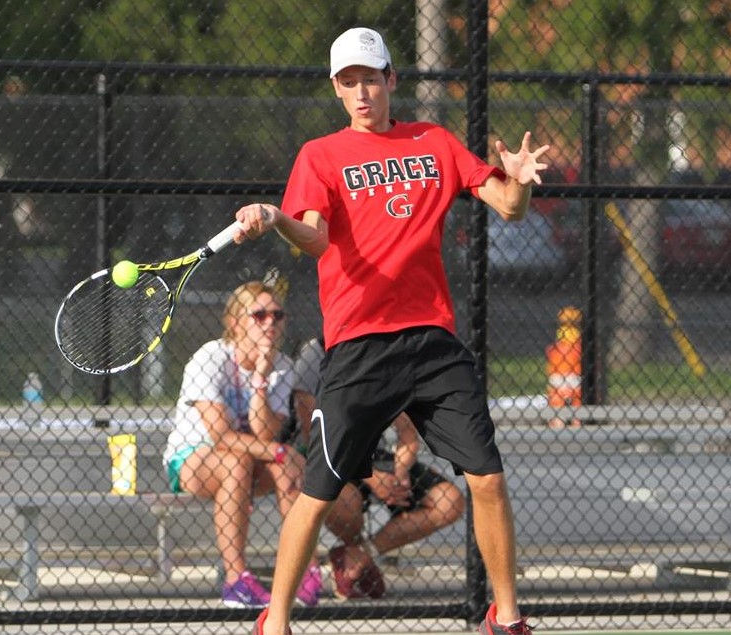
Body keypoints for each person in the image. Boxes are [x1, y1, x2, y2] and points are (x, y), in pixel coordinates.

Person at [233, 26, 549, 635]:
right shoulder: (320, 156)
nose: (361, 93)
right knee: (318, 493)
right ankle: (275, 624)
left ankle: (506, 617)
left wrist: (519, 182)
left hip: (432, 341)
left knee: (487, 476)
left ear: (391, 81)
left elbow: (507, 208)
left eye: (370, 80)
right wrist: (277, 218)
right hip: (357, 348)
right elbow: (315, 237)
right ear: (336, 88)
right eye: (348, 83)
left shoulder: (434, 141)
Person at [161, 281, 321, 609]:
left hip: (250, 460)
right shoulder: (210, 358)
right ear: (235, 322)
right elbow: (220, 436)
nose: (270, 323)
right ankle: (236, 581)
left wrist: (261, 379)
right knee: (241, 461)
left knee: (281, 467)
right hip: (194, 459)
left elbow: (264, 436)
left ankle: (306, 571)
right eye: (259, 315)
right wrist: (281, 451)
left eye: (277, 315)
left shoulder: (282, 366)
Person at [291, 337, 464, 600]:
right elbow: (311, 436)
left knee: (448, 501)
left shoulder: (385, 351)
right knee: (343, 501)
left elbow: (407, 435)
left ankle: (358, 555)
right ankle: (353, 562)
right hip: (328, 451)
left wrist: (400, 471)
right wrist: (372, 478)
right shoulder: (315, 353)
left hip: (374, 454)